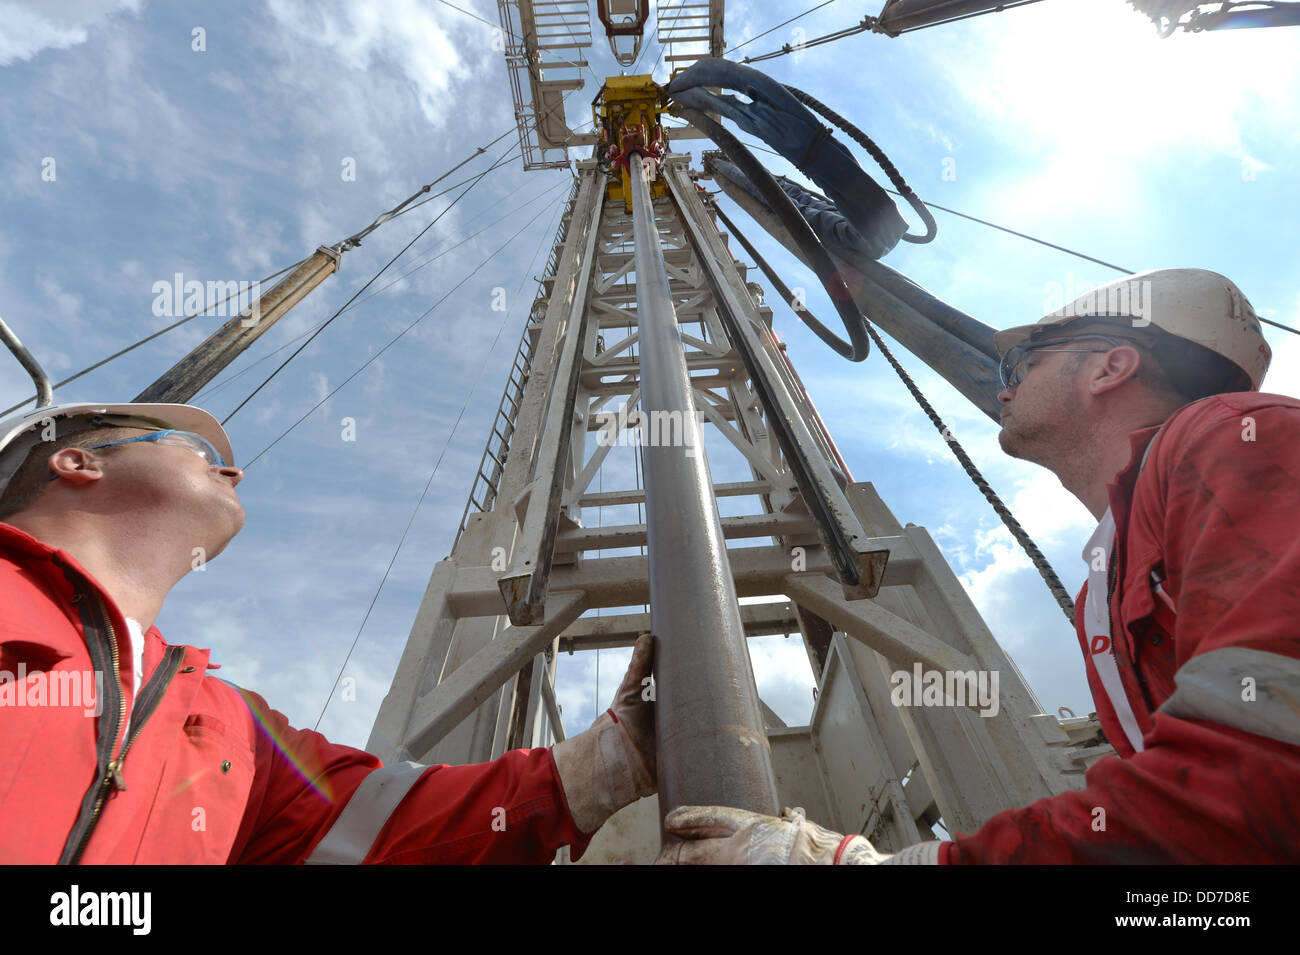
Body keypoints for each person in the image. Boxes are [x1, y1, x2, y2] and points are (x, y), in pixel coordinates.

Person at [660, 268, 1300, 864]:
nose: (1004, 384)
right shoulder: (1105, 585)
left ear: (1112, 367)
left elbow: (1254, 782)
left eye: (1026, 360)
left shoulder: (1241, 436)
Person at [0, 402, 656, 863]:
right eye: (197, 449)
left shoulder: (231, 728)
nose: (233, 470)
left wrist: (609, 762)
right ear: (80, 460)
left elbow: (385, 830)